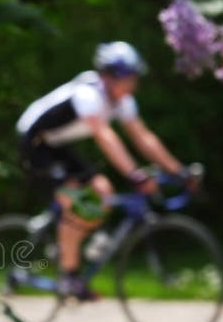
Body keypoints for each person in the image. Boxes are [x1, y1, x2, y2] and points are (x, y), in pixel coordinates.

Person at [16, 41, 196, 300]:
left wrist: (179, 171)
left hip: (58, 144)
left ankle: (68, 250)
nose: (134, 84)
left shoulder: (122, 100)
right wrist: (135, 174)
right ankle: (69, 276)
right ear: (109, 77)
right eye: (129, 78)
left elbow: (143, 137)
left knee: (103, 192)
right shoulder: (88, 94)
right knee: (78, 201)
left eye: (135, 78)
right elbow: (105, 136)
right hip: (34, 142)